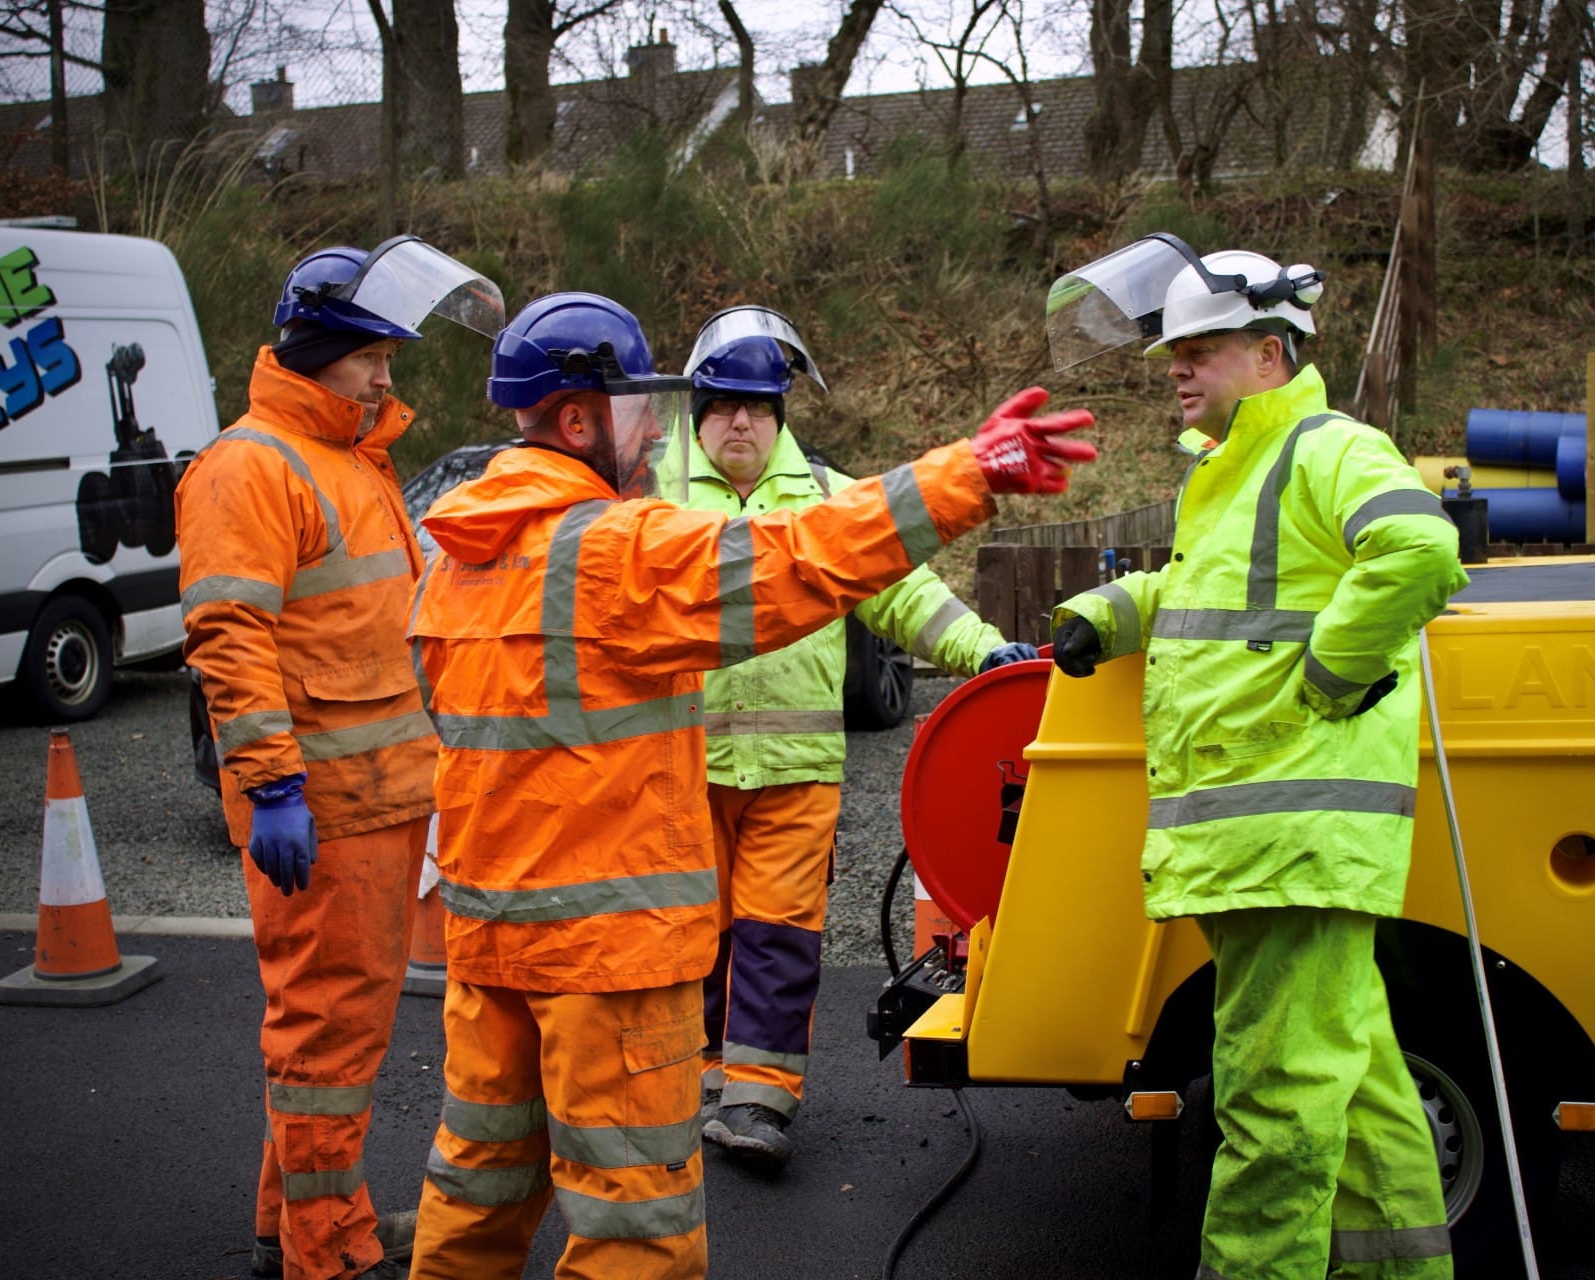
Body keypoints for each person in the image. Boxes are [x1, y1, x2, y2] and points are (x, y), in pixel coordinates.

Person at [404, 291, 1092, 1279]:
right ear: (577, 417)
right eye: (644, 405)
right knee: (632, 1234)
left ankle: (753, 1090)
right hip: (606, 958)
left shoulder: (455, 561)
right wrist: (964, 474)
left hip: (488, 952)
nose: (660, 428)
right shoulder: (613, 547)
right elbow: (796, 561)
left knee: (474, 1196)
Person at [1046, 244, 1467, 1279]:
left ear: (1271, 352)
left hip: (1290, 843)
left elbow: (1422, 547)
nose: (1178, 369)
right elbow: (1208, 601)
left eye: (1201, 348)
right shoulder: (1231, 475)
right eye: (1173, 351)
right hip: (1273, 850)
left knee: (1274, 1107)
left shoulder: (1325, 446)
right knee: (1359, 1093)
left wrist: (1330, 673)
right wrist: (1109, 609)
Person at [176, 239, 503, 1280]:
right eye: (371, 353)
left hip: (370, 794)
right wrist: (272, 783)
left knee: (330, 1031)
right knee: (328, 1040)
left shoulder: (347, 458)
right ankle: (331, 1248)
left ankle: (294, 1222)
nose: (387, 374)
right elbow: (230, 636)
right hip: (323, 805)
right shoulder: (251, 466)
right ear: (320, 347)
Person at [676, 309, 1038, 1169]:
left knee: (779, 936)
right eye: (725, 404)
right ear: (696, 408)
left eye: (759, 407)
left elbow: (905, 595)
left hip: (795, 771)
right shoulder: (649, 497)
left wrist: (986, 651)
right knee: (688, 934)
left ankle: (757, 1101)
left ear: (782, 413)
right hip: (678, 769)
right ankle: (690, 1078)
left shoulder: (830, 499)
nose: (741, 422)